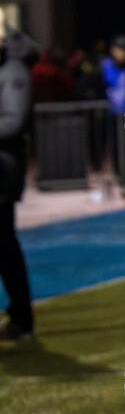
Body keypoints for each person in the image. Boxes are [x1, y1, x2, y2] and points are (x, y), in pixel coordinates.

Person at [0, 29, 39, 342]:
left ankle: (21, 318)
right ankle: (19, 316)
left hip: (3, 169)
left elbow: (13, 121)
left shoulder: (13, 71)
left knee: (5, 246)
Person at [100, 35, 125, 196]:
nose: (119, 54)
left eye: (122, 50)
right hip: (114, 112)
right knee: (115, 145)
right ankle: (120, 178)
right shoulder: (106, 66)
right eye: (116, 50)